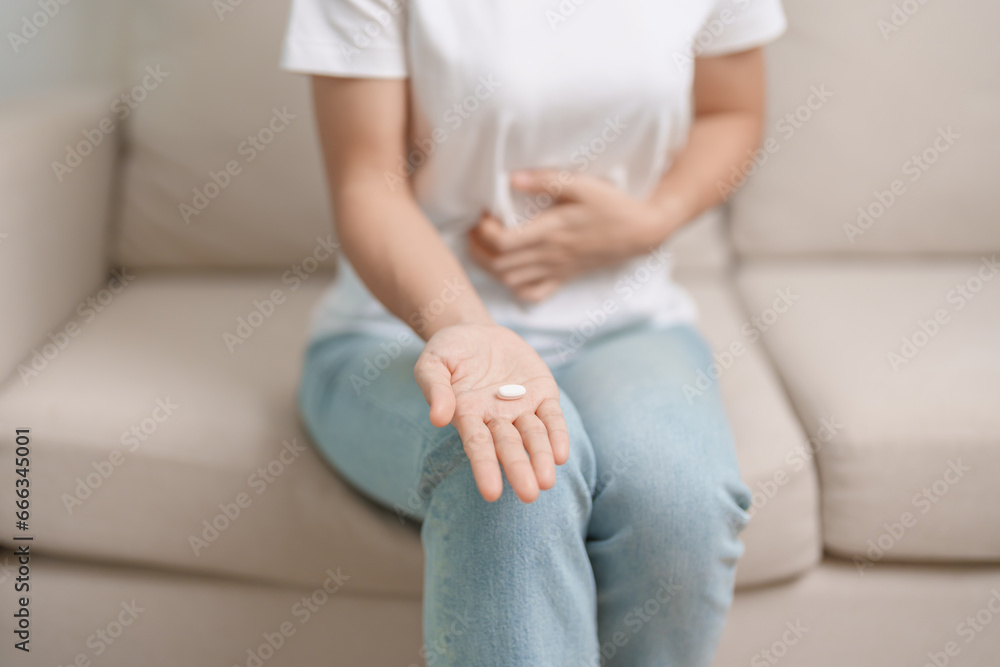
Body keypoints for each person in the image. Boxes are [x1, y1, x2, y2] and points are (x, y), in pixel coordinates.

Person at [282, 1, 786, 664]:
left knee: (679, 503)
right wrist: (465, 329)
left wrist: (652, 219)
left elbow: (732, 111)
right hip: (404, 334)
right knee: (513, 470)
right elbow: (367, 182)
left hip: (625, 328)